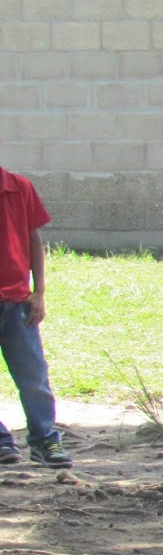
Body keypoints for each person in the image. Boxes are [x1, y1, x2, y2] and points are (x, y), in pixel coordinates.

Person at [0, 166, 71, 468]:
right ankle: (2, 442)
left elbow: (33, 239)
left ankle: (45, 439)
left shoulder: (18, 187)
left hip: (17, 301)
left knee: (34, 377)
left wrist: (39, 291)